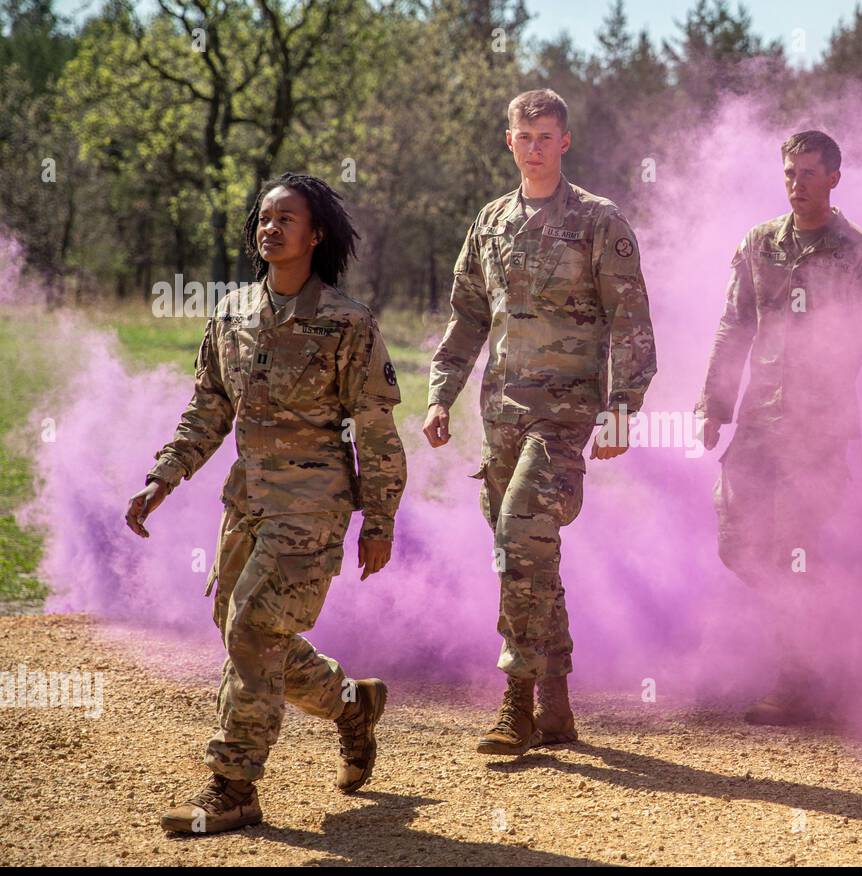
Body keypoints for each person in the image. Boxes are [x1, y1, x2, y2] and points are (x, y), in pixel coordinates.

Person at [125, 173, 406, 834]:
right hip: (248, 502)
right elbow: (209, 408)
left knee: (253, 626)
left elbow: (375, 427)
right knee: (249, 632)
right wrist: (164, 476)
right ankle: (350, 704)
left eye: (287, 218)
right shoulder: (232, 314)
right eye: (264, 218)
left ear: (316, 235)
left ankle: (233, 786)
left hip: (314, 504)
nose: (271, 228)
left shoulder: (347, 321)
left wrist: (380, 516)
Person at [423, 89, 656, 756]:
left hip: (566, 413)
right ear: (509, 141)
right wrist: (440, 395)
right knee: (522, 551)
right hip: (501, 412)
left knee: (522, 524)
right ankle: (556, 704)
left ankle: (515, 703)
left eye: (546, 136)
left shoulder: (597, 221)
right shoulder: (490, 221)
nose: (534, 147)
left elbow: (631, 323)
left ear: (565, 142)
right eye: (523, 136)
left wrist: (621, 409)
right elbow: (468, 315)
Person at [696, 130, 862, 725]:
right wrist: (713, 405)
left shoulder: (861, 257)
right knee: (735, 542)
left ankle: (798, 681)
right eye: (790, 173)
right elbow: (733, 327)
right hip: (759, 423)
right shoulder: (759, 245)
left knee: (795, 551)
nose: (798, 183)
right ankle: (825, 634)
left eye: (810, 173)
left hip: (819, 432)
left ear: (835, 178)